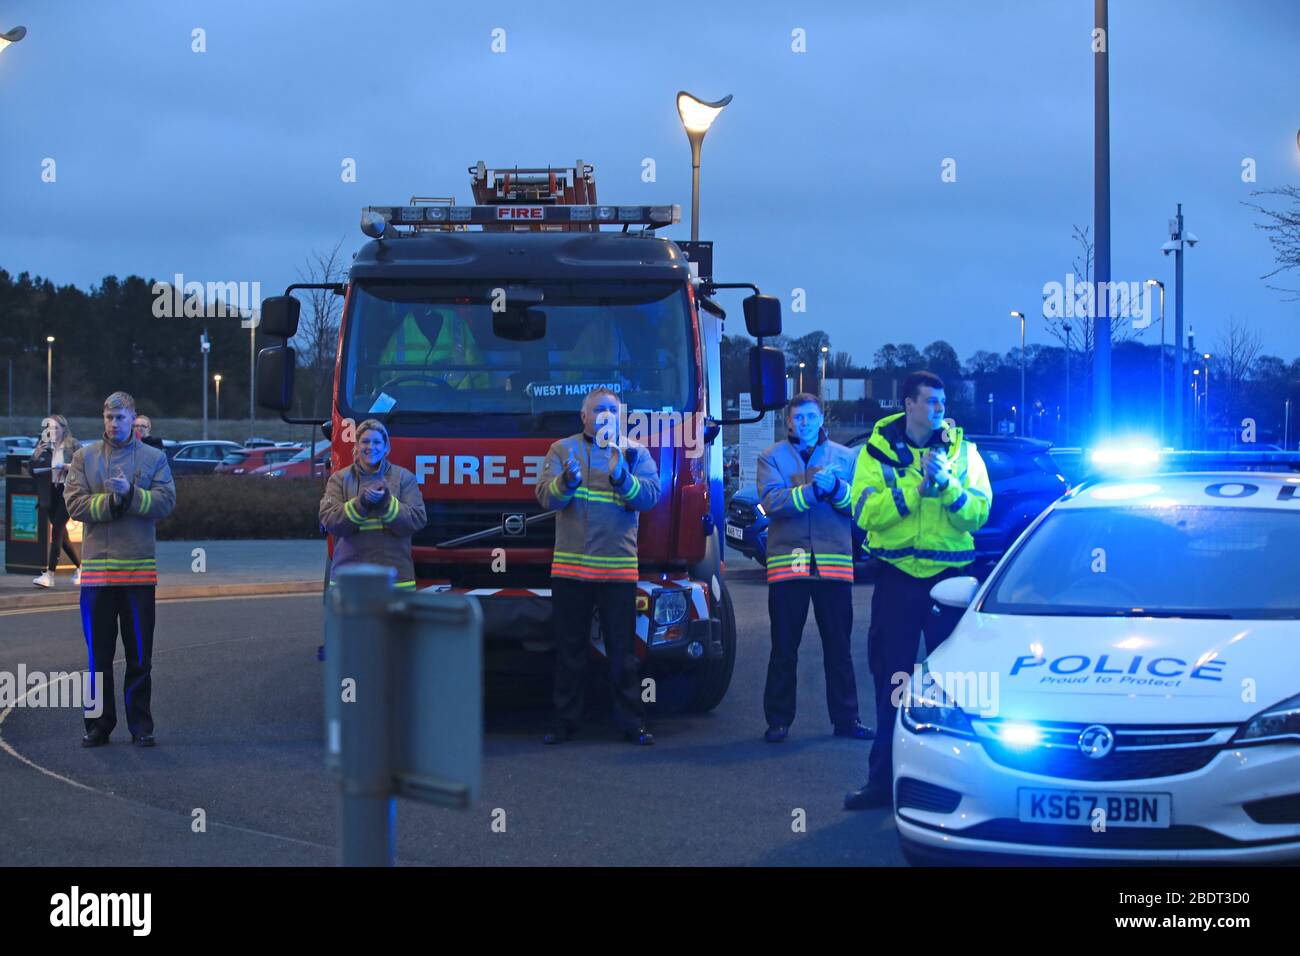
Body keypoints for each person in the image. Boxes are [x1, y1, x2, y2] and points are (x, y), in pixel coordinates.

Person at [843, 371, 992, 810]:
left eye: (943, 403)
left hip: (952, 581)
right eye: (930, 402)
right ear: (908, 404)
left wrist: (947, 487)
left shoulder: (965, 452)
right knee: (893, 679)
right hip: (898, 579)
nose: (939, 410)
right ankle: (881, 783)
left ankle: (958, 786)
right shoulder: (876, 452)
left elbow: (979, 514)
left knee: (956, 687)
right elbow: (864, 511)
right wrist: (916, 490)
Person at [535, 387, 660, 745]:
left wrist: (622, 476)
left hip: (617, 571)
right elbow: (546, 497)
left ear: (618, 416)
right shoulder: (562, 450)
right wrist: (566, 481)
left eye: (611, 409)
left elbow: (650, 498)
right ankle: (565, 723)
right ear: (584, 416)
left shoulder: (634, 453)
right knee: (569, 653)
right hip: (570, 572)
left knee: (623, 654)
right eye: (598, 409)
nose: (604, 414)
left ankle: (631, 723)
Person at [63, 391, 176, 748]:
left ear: (133, 418)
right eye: (109, 418)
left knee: (140, 657)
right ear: (104, 419)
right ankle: (98, 726)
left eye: (121, 418)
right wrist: (114, 501)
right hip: (96, 576)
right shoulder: (84, 457)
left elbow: (166, 502)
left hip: (139, 576)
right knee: (98, 657)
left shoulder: (154, 458)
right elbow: (74, 503)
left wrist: (131, 494)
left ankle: (141, 725)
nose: (114, 424)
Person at [758, 394, 872, 743]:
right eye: (798, 417)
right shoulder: (770, 457)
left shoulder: (845, 456)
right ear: (788, 422)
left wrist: (836, 488)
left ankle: (846, 720)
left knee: (839, 648)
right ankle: (778, 721)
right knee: (783, 648)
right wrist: (810, 492)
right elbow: (772, 502)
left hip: (833, 565)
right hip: (788, 564)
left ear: (822, 419)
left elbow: (860, 505)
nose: (804, 423)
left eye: (810, 417)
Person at [318, 419, 427, 591]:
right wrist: (360, 504)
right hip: (349, 582)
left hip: (396, 582)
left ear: (386, 447)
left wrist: (386, 503)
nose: (371, 447)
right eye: (365, 441)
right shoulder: (339, 479)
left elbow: (417, 520)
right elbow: (329, 520)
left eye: (377, 442)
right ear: (357, 446)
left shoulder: (404, 478)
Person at [29, 415, 83, 588]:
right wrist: (35, 456)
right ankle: (82, 568)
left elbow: (84, 467)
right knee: (63, 536)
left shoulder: (73, 444)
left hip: (67, 492)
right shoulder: (44, 446)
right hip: (50, 492)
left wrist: (69, 467)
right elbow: (33, 471)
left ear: (63, 428)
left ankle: (49, 574)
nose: (52, 431)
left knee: (58, 530)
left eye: (55, 428)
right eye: (49, 428)